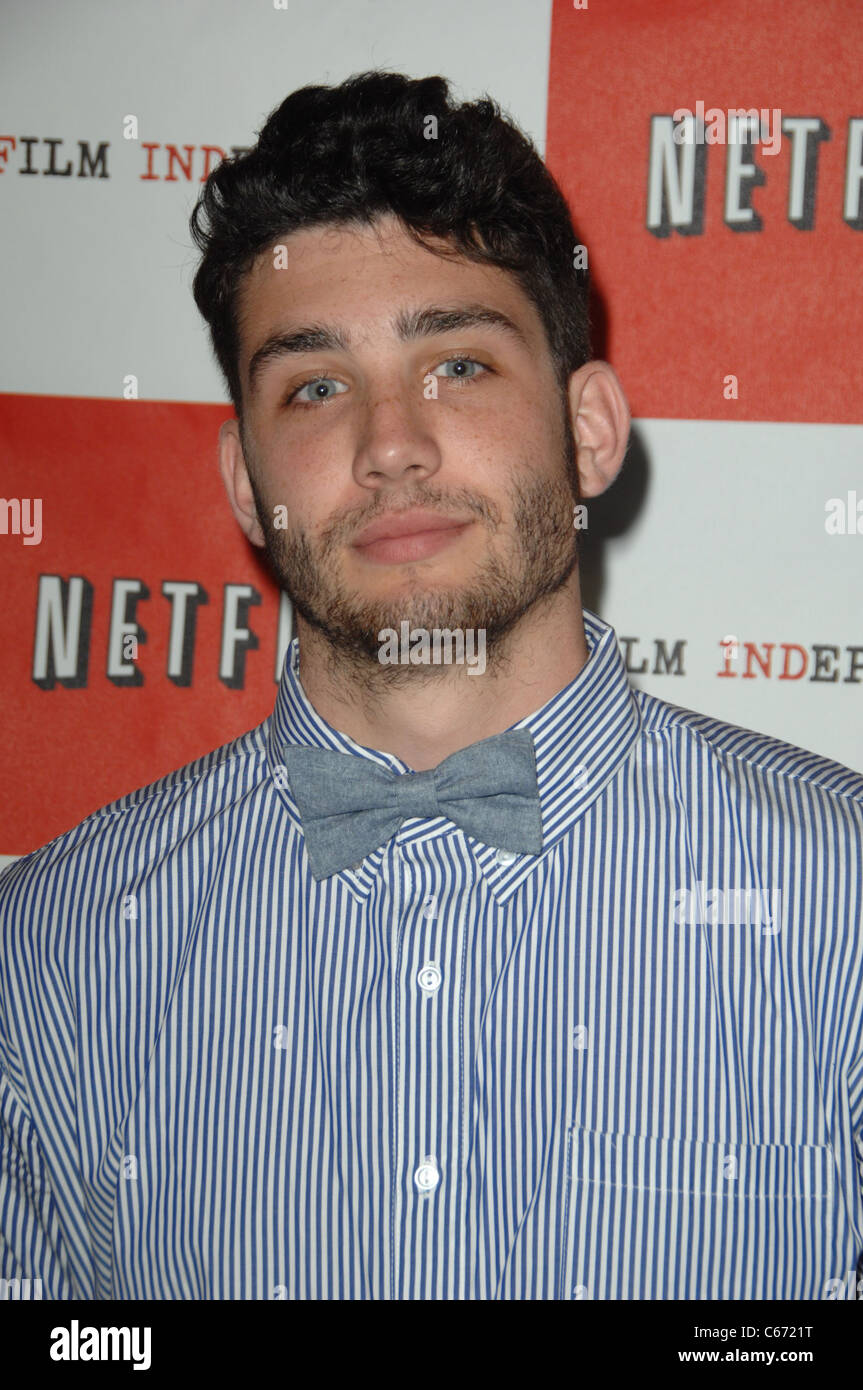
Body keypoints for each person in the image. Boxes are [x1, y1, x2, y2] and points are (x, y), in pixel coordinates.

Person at [1, 71, 861, 1302]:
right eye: (314, 385)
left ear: (588, 430)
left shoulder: (840, 905)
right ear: (246, 484)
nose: (389, 444)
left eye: (456, 364)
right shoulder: (51, 952)